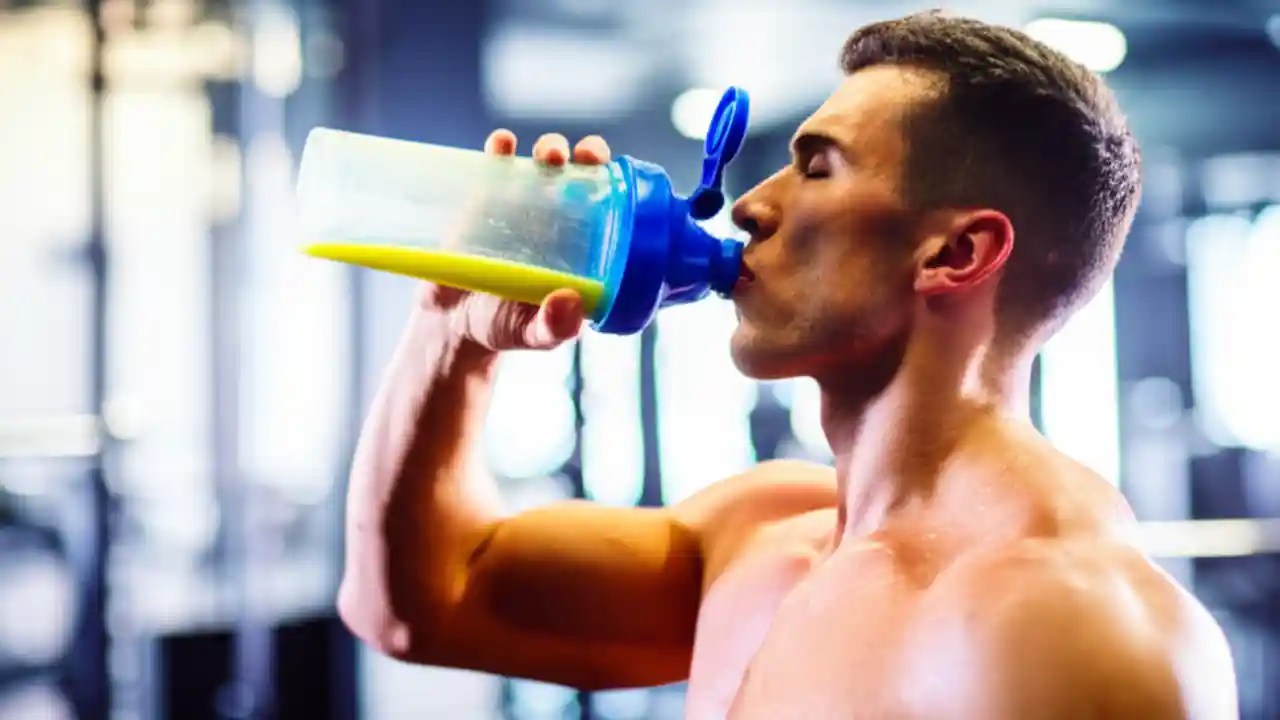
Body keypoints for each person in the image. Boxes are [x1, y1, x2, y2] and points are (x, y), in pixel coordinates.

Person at [337, 12, 1237, 719]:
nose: (751, 207)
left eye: (816, 168)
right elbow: (420, 603)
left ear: (955, 254)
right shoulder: (771, 529)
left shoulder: (1068, 623)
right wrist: (452, 336)